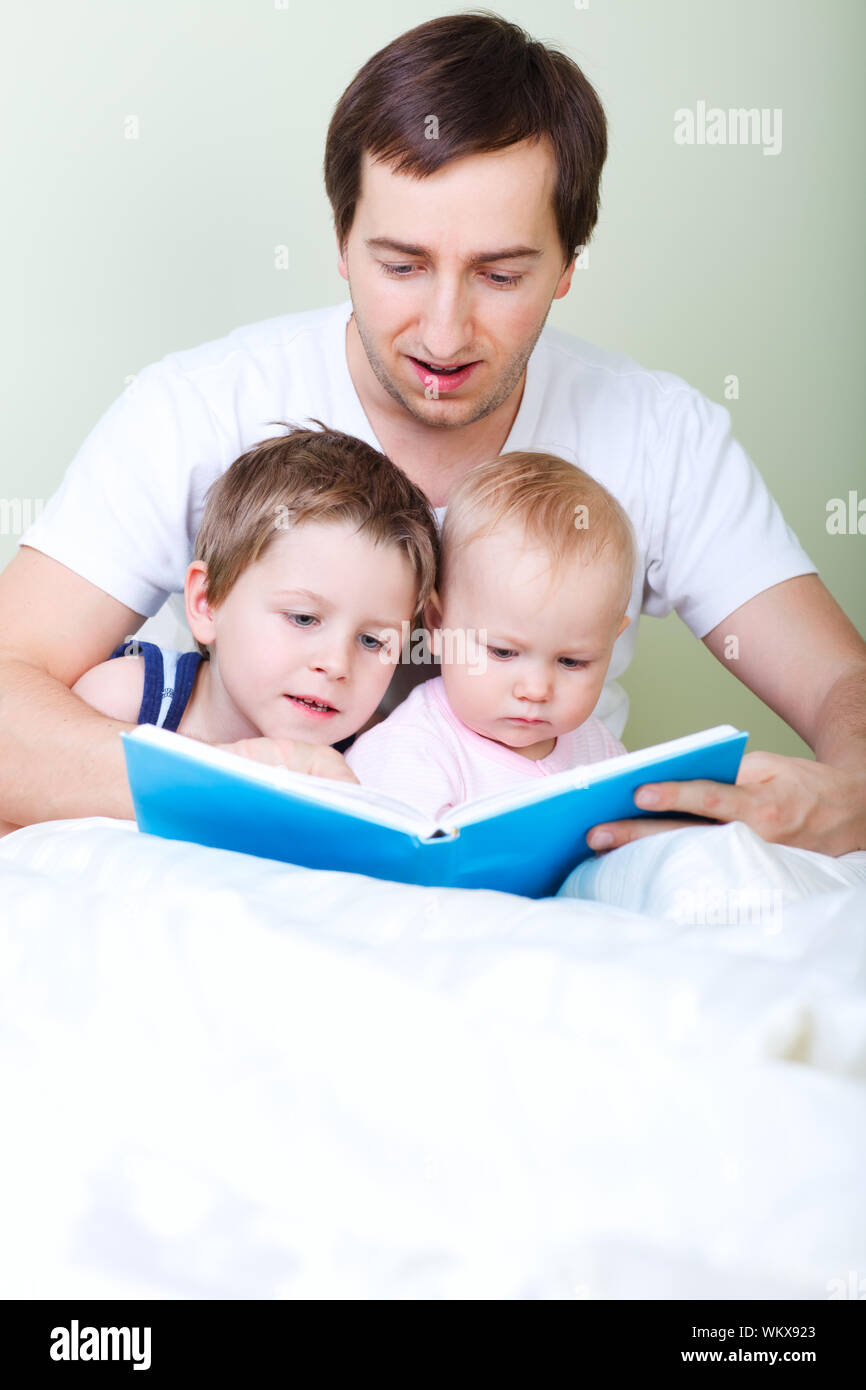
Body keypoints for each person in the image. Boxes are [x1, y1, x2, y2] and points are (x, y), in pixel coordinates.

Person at [0, 12, 863, 854]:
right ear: (341, 241)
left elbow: (840, 685)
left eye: (500, 273)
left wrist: (845, 792)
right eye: (402, 265)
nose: (443, 334)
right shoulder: (193, 408)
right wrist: (234, 788)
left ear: (568, 264)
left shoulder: (660, 435)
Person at [71, 423, 437, 764]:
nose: (338, 665)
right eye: (303, 618)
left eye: (372, 641)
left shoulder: (374, 753)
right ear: (207, 602)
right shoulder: (125, 701)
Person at [346, 453, 632, 818]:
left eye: (571, 661)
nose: (536, 690)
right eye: (502, 652)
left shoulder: (599, 749)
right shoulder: (407, 752)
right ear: (437, 623)